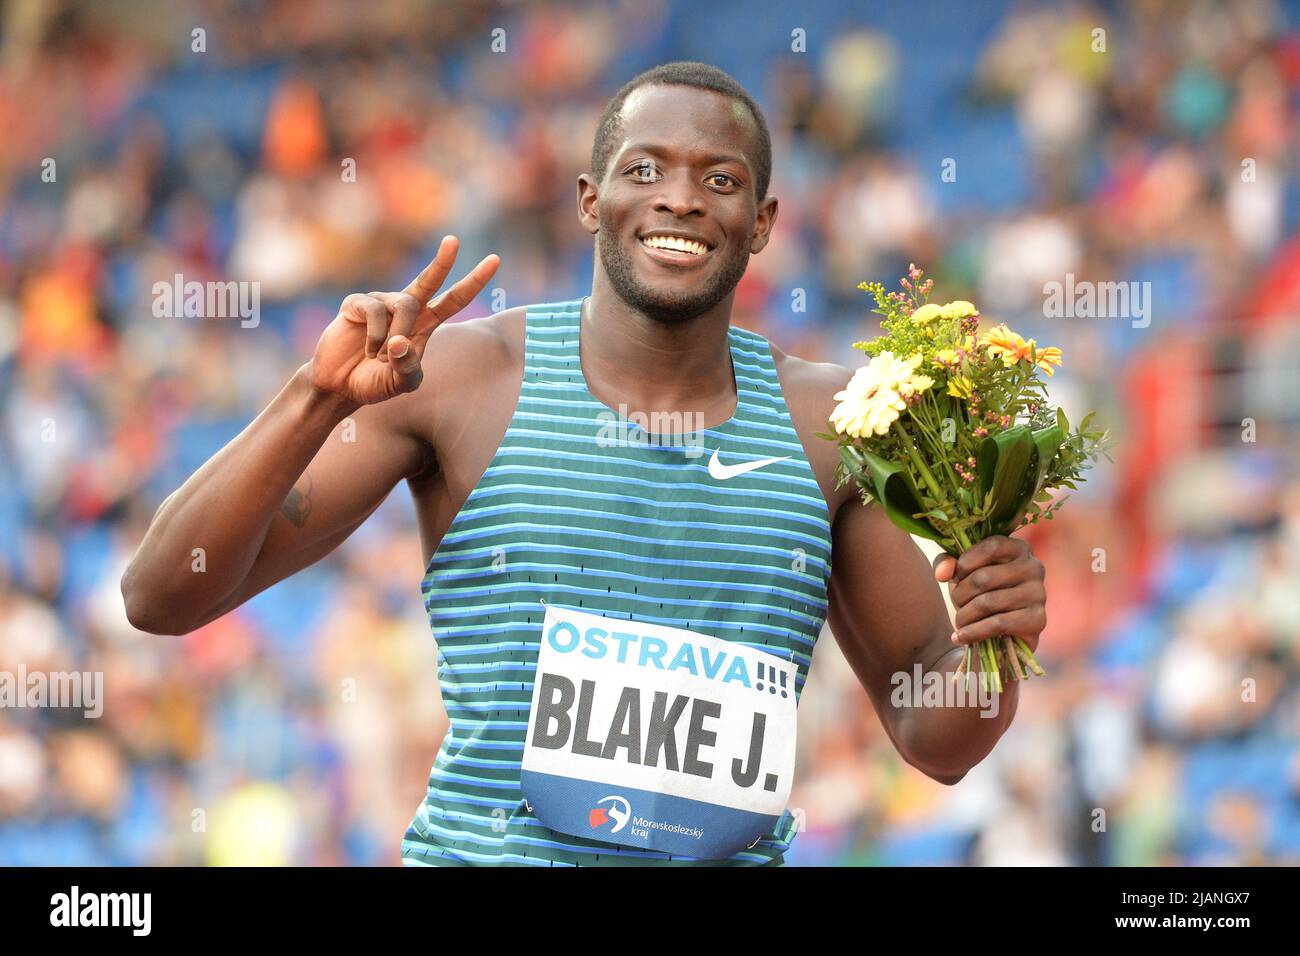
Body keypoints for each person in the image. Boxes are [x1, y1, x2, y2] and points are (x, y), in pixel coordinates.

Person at [121, 61, 1047, 867]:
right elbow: (163, 597)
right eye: (644, 169)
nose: (681, 197)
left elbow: (936, 738)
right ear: (589, 200)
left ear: (762, 221)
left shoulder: (837, 422)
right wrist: (315, 398)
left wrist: (997, 644)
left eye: (719, 179)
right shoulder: (458, 380)